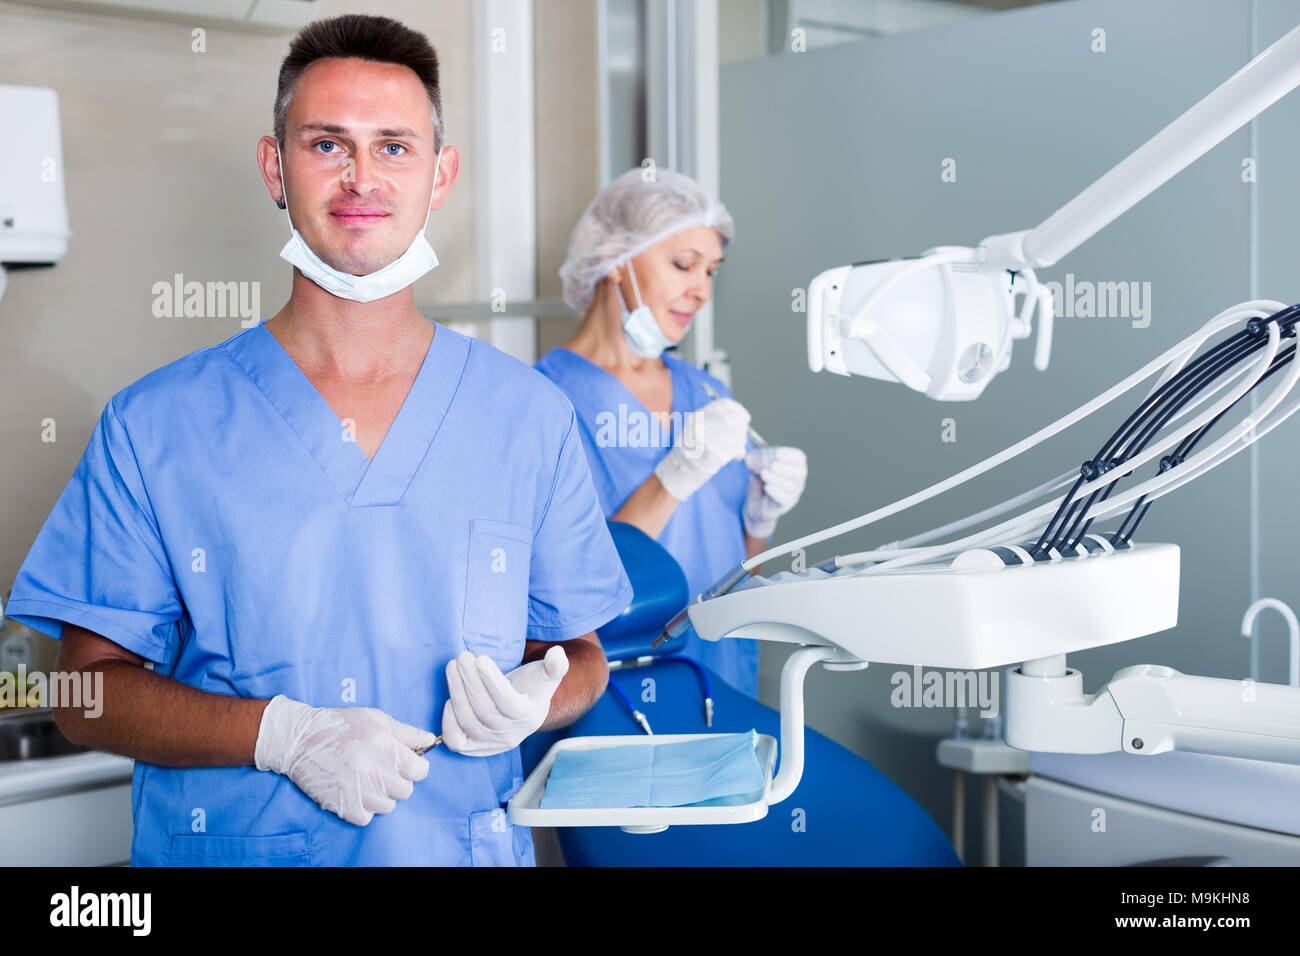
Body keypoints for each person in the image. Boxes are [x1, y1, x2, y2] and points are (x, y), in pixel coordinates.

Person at [4, 14, 632, 866]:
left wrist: (537, 701)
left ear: (441, 174)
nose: (361, 178)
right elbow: (82, 692)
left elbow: (581, 654)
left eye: (396, 147)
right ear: (276, 166)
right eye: (327, 145)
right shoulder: (156, 426)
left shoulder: (526, 416)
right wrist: (280, 735)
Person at [535, 169, 807, 696]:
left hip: (725, 681)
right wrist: (672, 480)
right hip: (620, 695)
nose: (701, 290)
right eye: (683, 264)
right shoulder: (544, 402)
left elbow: (733, 570)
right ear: (614, 259)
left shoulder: (706, 391)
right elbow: (564, 592)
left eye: (712, 272)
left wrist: (759, 518)